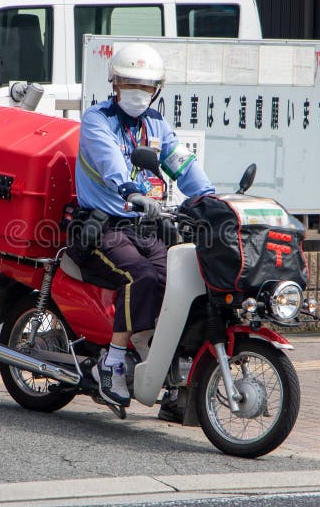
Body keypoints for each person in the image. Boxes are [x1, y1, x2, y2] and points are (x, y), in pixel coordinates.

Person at [73, 42, 214, 409]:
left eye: (146, 86)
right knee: (141, 277)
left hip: (143, 226)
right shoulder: (97, 119)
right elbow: (109, 161)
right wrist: (130, 190)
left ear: (157, 91)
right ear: (114, 84)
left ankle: (164, 371)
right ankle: (113, 362)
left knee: (178, 281)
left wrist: (209, 198)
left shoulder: (156, 124)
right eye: (129, 83)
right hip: (103, 227)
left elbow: (181, 162)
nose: (138, 93)